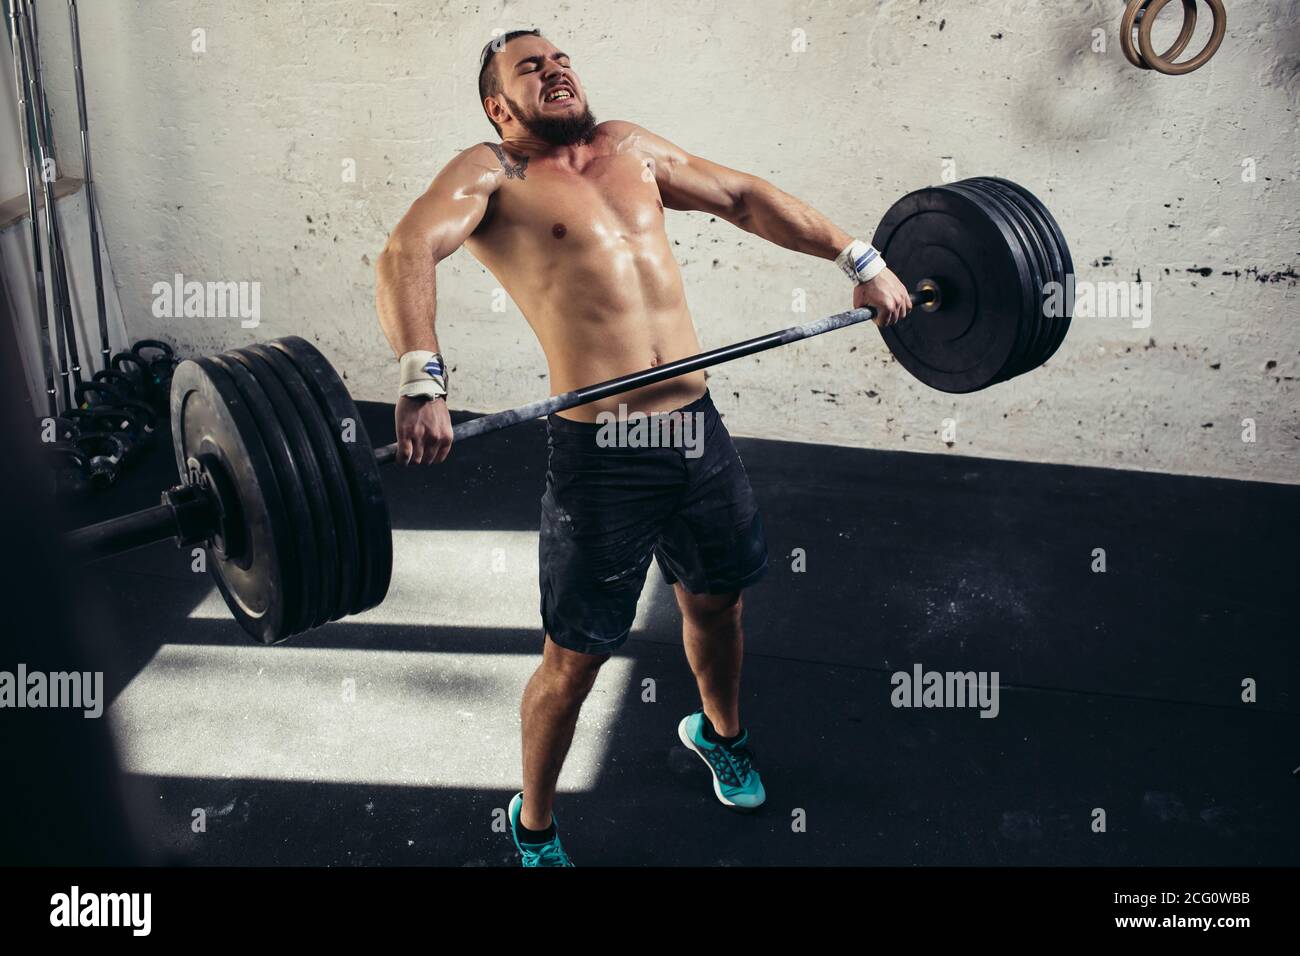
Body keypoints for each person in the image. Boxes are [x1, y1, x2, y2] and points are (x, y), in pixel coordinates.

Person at [374, 29, 910, 866]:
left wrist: (859, 254)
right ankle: (537, 823)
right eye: (530, 68)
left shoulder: (627, 146)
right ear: (497, 104)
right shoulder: (490, 171)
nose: (555, 71)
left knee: (717, 600)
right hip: (604, 455)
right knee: (577, 658)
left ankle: (719, 735)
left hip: (694, 430)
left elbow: (739, 195)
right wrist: (421, 377)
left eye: (560, 60)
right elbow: (409, 248)